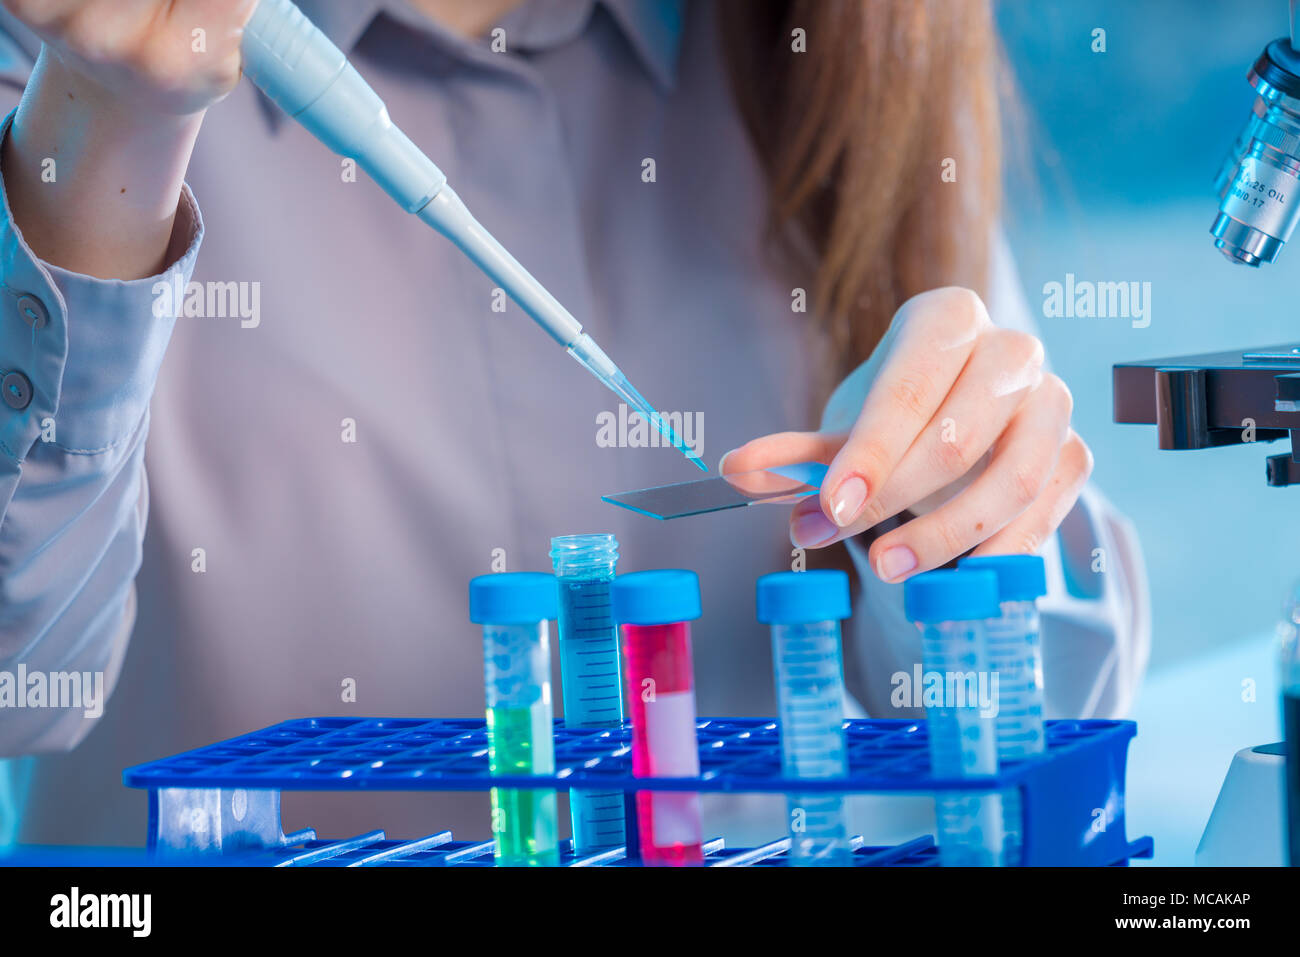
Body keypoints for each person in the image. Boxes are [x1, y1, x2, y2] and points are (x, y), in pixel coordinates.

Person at [0, 0, 1148, 847]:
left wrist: (948, 543)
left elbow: (1037, 724)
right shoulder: (60, 44)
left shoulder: (849, 39)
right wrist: (104, 130)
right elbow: (19, 687)